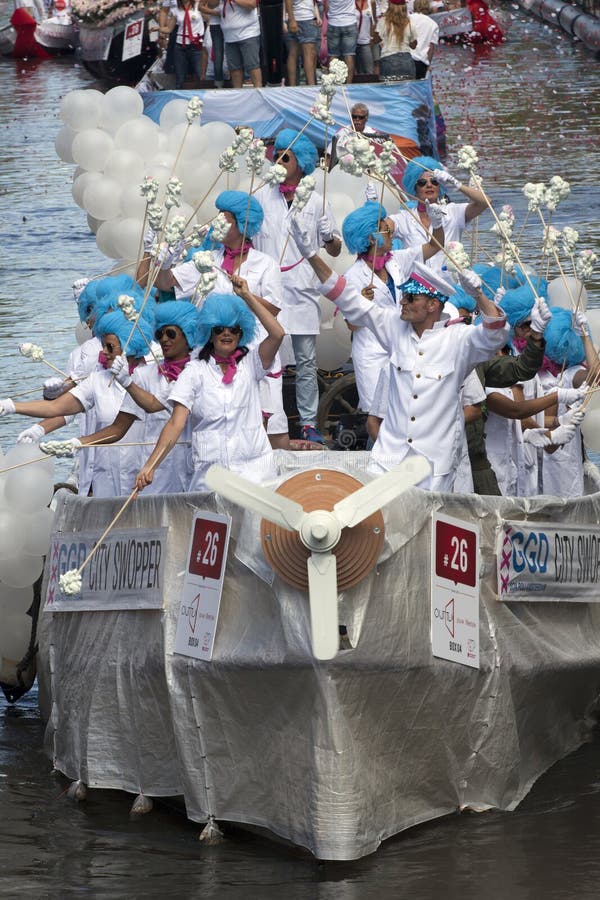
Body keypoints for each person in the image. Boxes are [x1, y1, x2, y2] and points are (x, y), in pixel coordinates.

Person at [289, 213, 511, 491]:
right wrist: (311, 255)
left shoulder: (458, 340)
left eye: (410, 297)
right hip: (388, 462)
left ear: (433, 306)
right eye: (403, 295)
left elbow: (495, 334)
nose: (402, 301)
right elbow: (347, 297)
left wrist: (479, 295)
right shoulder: (393, 326)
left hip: (434, 468)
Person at [141, 190, 290, 450]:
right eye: (218, 214)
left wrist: (244, 294)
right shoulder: (207, 261)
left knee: (271, 428)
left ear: (242, 224)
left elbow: (274, 309)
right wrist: (163, 264)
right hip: (214, 356)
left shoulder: (266, 264)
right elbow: (165, 283)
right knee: (218, 421)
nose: (217, 221)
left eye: (225, 217)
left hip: (255, 355)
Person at [39, 301, 202, 495]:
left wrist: (127, 382)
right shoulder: (143, 375)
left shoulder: (199, 372)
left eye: (171, 334)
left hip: (196, 469)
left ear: (188, 334)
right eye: (159, 334)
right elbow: (120, 426)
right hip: (157, 476)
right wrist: (15, 408)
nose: (164, 339)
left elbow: (156, 406)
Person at [135, 282, 284, 493]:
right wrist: (150, 466)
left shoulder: (252, 363)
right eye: (219, 329)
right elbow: (175, 423)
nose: (226, 334)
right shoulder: (194, 372)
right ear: (210, 334)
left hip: (255, 476)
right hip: (210, 478)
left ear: (241, 333)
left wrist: (246, 296)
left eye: (233, 329)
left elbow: (277, 334)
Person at [0, 307, 156, 498]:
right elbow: (56, 407)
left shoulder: (150, 377)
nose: (104, 353)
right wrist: (10, 406)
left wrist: (78, 442)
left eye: (110, 347)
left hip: (146, 477)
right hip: (106, 477)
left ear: (128, 348)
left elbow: (119, 428)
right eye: (103, 346)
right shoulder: (98, 379)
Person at [253, 129, 342, 444]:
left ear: (301, 163)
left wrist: (328, 236)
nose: (278, 161)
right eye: (276, 155)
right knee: (266, 360)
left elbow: (335, 250)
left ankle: (307, 423)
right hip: (266, 293)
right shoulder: (260, 196)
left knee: (305, 363)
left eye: (286, 157)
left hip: (302, 292)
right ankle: (265, 418)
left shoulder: (316, 201)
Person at [340, 199, 446, 413]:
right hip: (372, 353)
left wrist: (438, 224)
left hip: (401, 346)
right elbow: (352, 325)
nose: (391, 233)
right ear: (372, 238)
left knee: (405, 409)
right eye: (385, 230)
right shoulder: (352, 277)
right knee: (376, 413)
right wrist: (362, 302)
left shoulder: (397, 260)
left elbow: (435, 246)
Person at [370, 155, 487, 279]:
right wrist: (372, 205)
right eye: (422, 182)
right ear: (414, 188)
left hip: (450, 286)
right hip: (418, 288)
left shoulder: (453, 212)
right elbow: (376, 231)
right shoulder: (404, 218)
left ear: (439, 186)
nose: (429, 185)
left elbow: (485, 202)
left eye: (434, 181)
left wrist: (456, 184)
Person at [206, 0, 262, 87]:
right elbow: (211, 5)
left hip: (248, 33)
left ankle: (258, 92)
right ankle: (238, 93)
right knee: (235, 69)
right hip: (229, 36)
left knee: (252, 66)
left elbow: (252, 4)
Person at [162, 0, 206, 89]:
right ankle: (180, 91)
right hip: (180, 45)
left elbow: (209, 20)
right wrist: (158, 29)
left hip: (196, 44)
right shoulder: (176, 10)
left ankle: (201, 92)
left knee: (199, 73)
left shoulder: (198, 6)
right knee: (180, 76)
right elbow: (169, 29)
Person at [373, 0, 417, 80]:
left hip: (388, 59)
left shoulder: (383, 21)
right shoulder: (409, 22)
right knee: (407, 87)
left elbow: (375, 40)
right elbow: (414, 45)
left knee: (389, 87)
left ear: (390, 5)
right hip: (406, 60)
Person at [285, 0, 321, 85]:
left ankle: (293, 86)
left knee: (293, 54)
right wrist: (292, 19)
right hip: (305, 18)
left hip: (299, 17)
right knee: (308, 54)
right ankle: (311, 86)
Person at [324, 0, 358, 82]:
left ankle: (331, 83)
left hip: (333, 22)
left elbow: (326, 6)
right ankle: (348, 84)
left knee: (333, 55)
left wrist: (331, 17)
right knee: (349, 55)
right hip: (349, 21)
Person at [408, 0, 439, 78]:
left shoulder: (407, 19)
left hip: (404, 59)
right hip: (420, 62)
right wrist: (428, 65)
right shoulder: (433, 24)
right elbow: (431, 48)